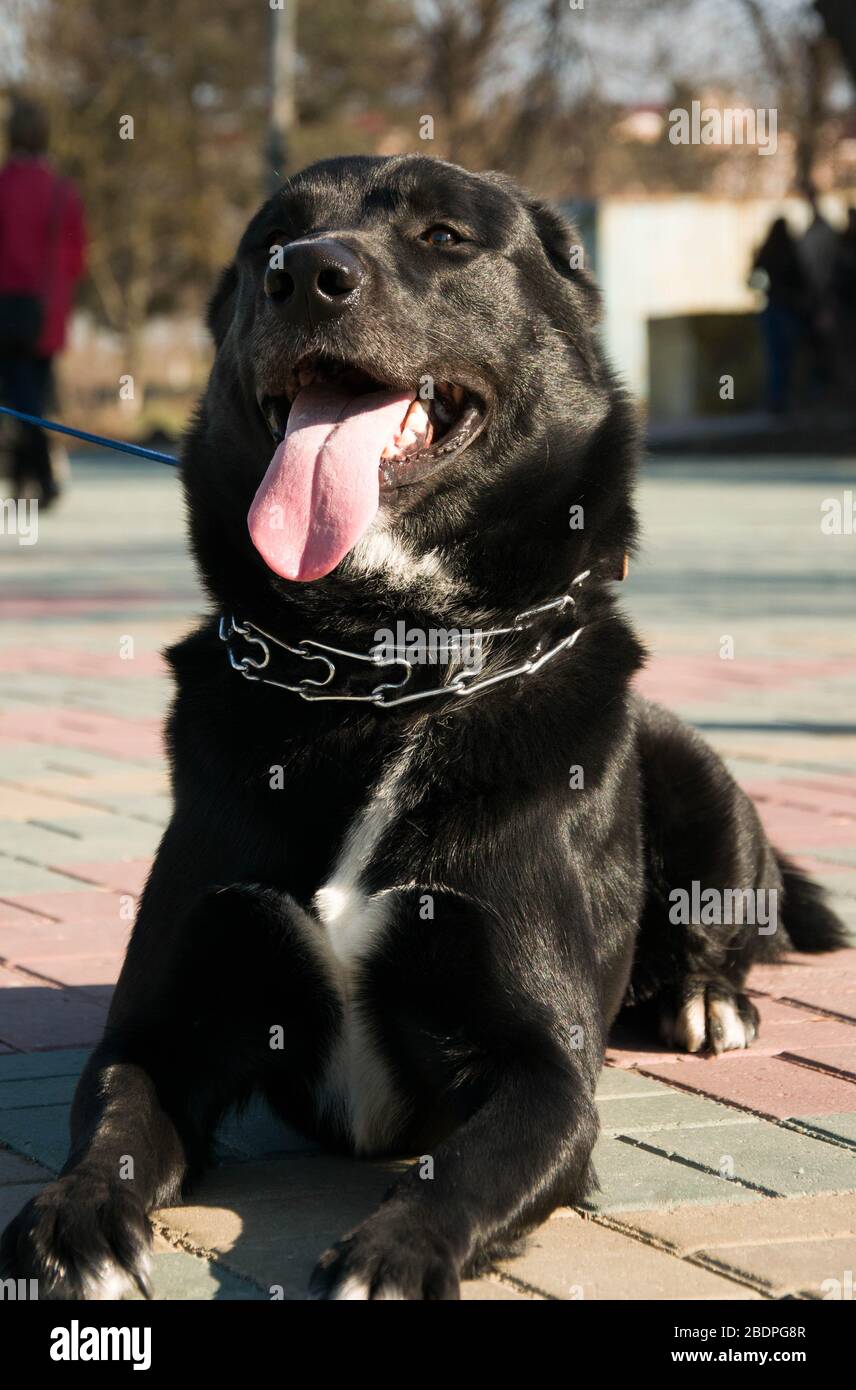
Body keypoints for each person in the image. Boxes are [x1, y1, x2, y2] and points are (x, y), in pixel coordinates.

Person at [0, 95, 86, 506]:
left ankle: (33, 475)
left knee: (16, 397)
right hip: (46, 310)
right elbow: (75, 255)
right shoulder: (61, 190)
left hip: (5, 306)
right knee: (30, 392)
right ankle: (30, 478)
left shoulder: (3, 185)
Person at [750, 217, 808, 416]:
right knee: (786, 358)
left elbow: (753, 280)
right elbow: (802, 281)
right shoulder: (790, 253)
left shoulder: (767, 253)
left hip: (773, 309)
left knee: (775, 358)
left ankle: (777, 402)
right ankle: (782, 402)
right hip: (787, 310)